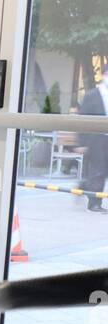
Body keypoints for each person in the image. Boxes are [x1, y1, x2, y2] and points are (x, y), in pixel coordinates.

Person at [76, 62, 108, 212]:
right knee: (98, 169)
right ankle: (94, 203)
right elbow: (82, 120)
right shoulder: (92, 95)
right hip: (97, 139)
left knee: (103, 170)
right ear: (104, 75)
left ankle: (86, 185)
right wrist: (82, 142)